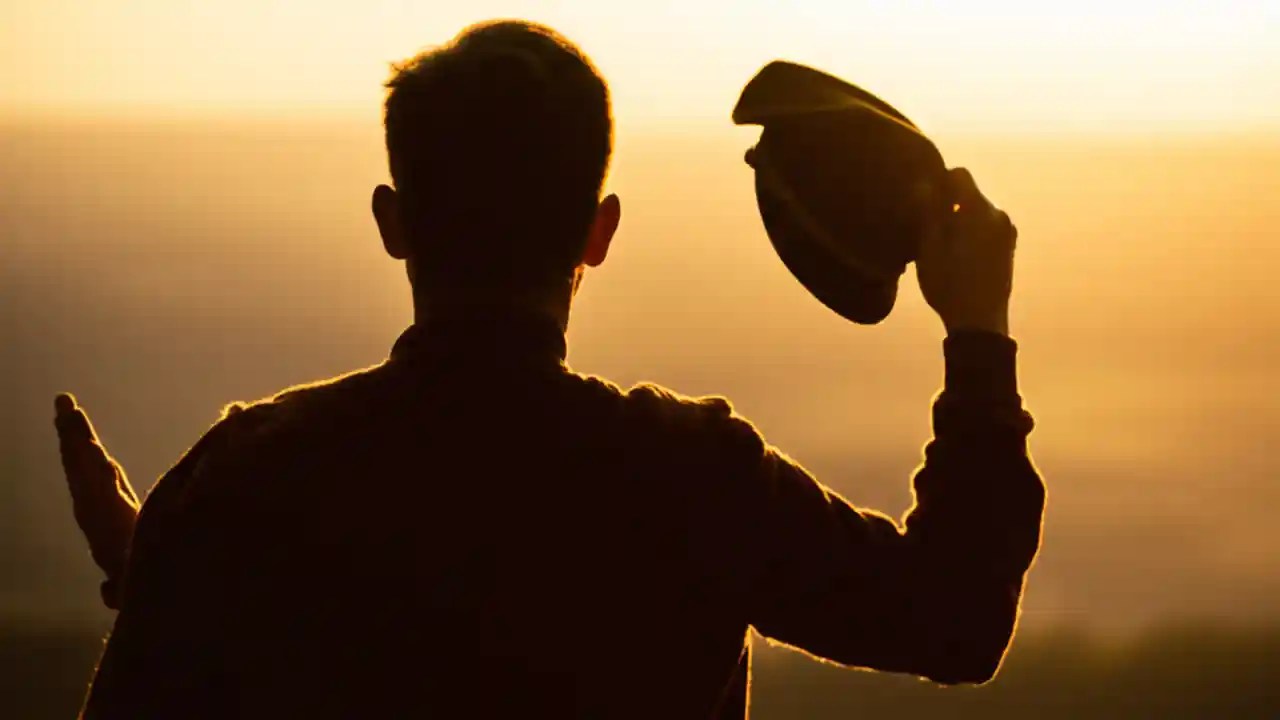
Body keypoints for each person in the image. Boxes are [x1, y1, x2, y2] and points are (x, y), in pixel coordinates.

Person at [53, 19, 1044, 720]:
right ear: (598, 232)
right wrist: (976, 334)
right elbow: (952, 621)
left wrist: (173, 583)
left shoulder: (240, 484)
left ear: (393, 224)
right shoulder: (689, 482)